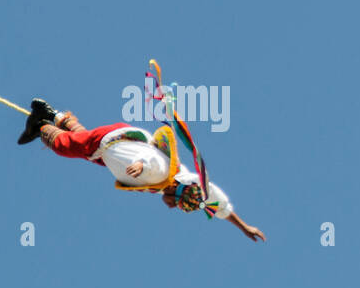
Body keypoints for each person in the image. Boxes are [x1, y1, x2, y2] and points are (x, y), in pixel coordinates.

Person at [18, 100, 266, 241]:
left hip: (113, 149)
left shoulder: (188, 183)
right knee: (66, 146)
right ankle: (40, 124)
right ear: (175, 192)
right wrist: (140, 165)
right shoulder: (162, 174)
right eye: (174, 203)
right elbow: (151, 162)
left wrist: (244, 227)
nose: (170, 206)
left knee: (84, 146)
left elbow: (219, 205)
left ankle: (57, 116)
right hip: (112, 142)